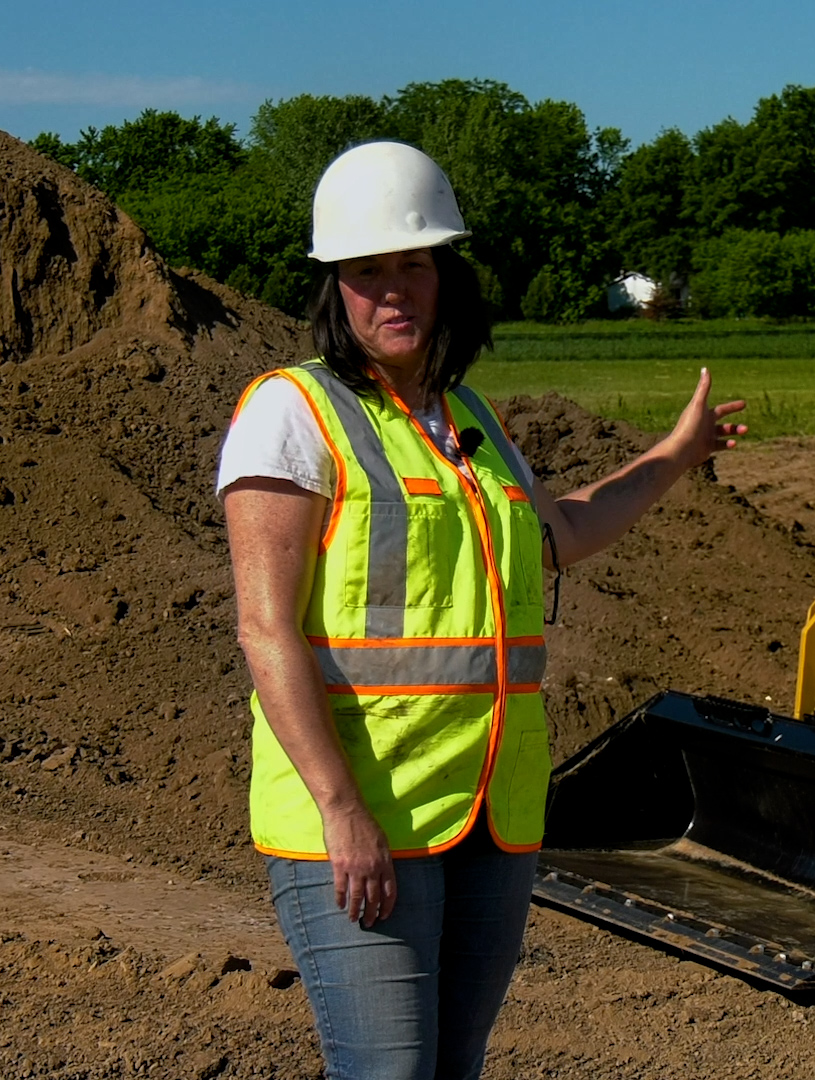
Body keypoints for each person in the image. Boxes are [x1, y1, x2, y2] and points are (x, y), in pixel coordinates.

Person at [216, 141, 745, 1080]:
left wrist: (676, 453)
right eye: (367, 270)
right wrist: (343, 810)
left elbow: (563, 532)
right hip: (361, 818)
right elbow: (267, 628)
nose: (393, 290)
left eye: (412, 264)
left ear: (444, 273)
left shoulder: (469, 419)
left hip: (489, 820)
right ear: (333, 285)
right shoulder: (291, 412)